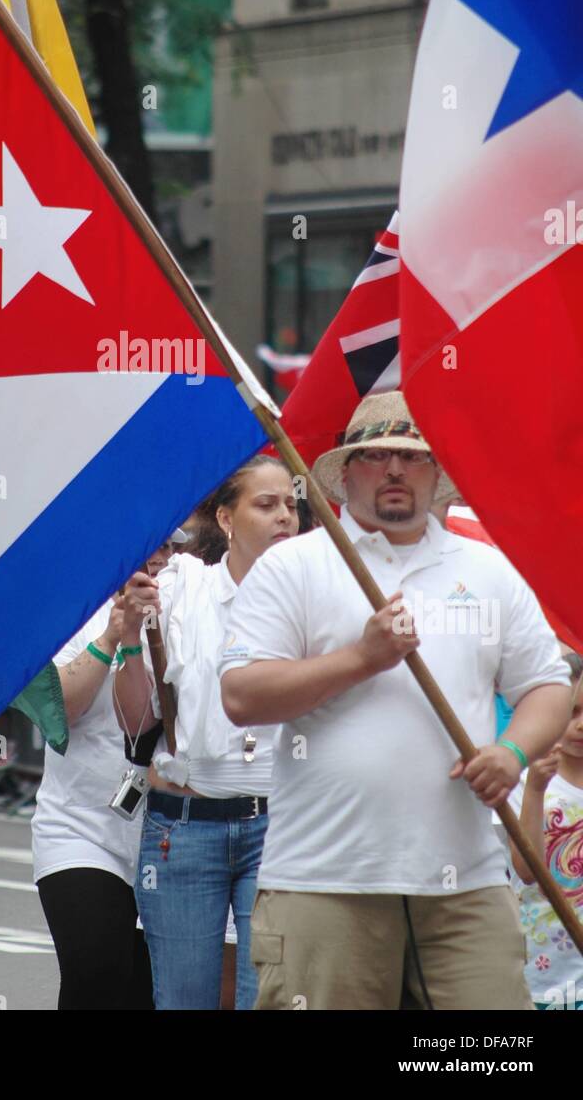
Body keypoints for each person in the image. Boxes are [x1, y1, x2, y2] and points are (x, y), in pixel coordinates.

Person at [221, 389, 572, 1011]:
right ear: (346, 470)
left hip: (467, 880)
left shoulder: (489, 570)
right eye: (376, 454)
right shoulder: (295, 566)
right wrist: (362, 659)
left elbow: (545, 686)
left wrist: (513, 752)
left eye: (412, 457)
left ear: (436, 473)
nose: (393, 470)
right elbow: (243, 695)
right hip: (325, 878)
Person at [115, 455, 302, 1010]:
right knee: (183, 1000)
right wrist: (128, 633)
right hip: (182, 830)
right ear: (224, 518)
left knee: (262, 999)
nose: (285, 518)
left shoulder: (319, 595)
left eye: (291, 505)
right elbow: (135, 722)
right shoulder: (178, 592)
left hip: (279, 829)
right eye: (266, 505)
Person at [31, 541, 180, 1011]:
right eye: (147, 548)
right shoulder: (70, 609)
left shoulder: (192, 606)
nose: (157, 560)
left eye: (169, 548)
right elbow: (63, 708)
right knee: (96, 974)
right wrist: (115, 635)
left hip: (171, 833)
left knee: (146, 989)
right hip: (81, 828)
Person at [504, 659, 583, 1010]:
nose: (580, 726)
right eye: (572, 712)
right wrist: (536, 789)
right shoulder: (523, 783)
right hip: (542, 976)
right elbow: (526, 869)